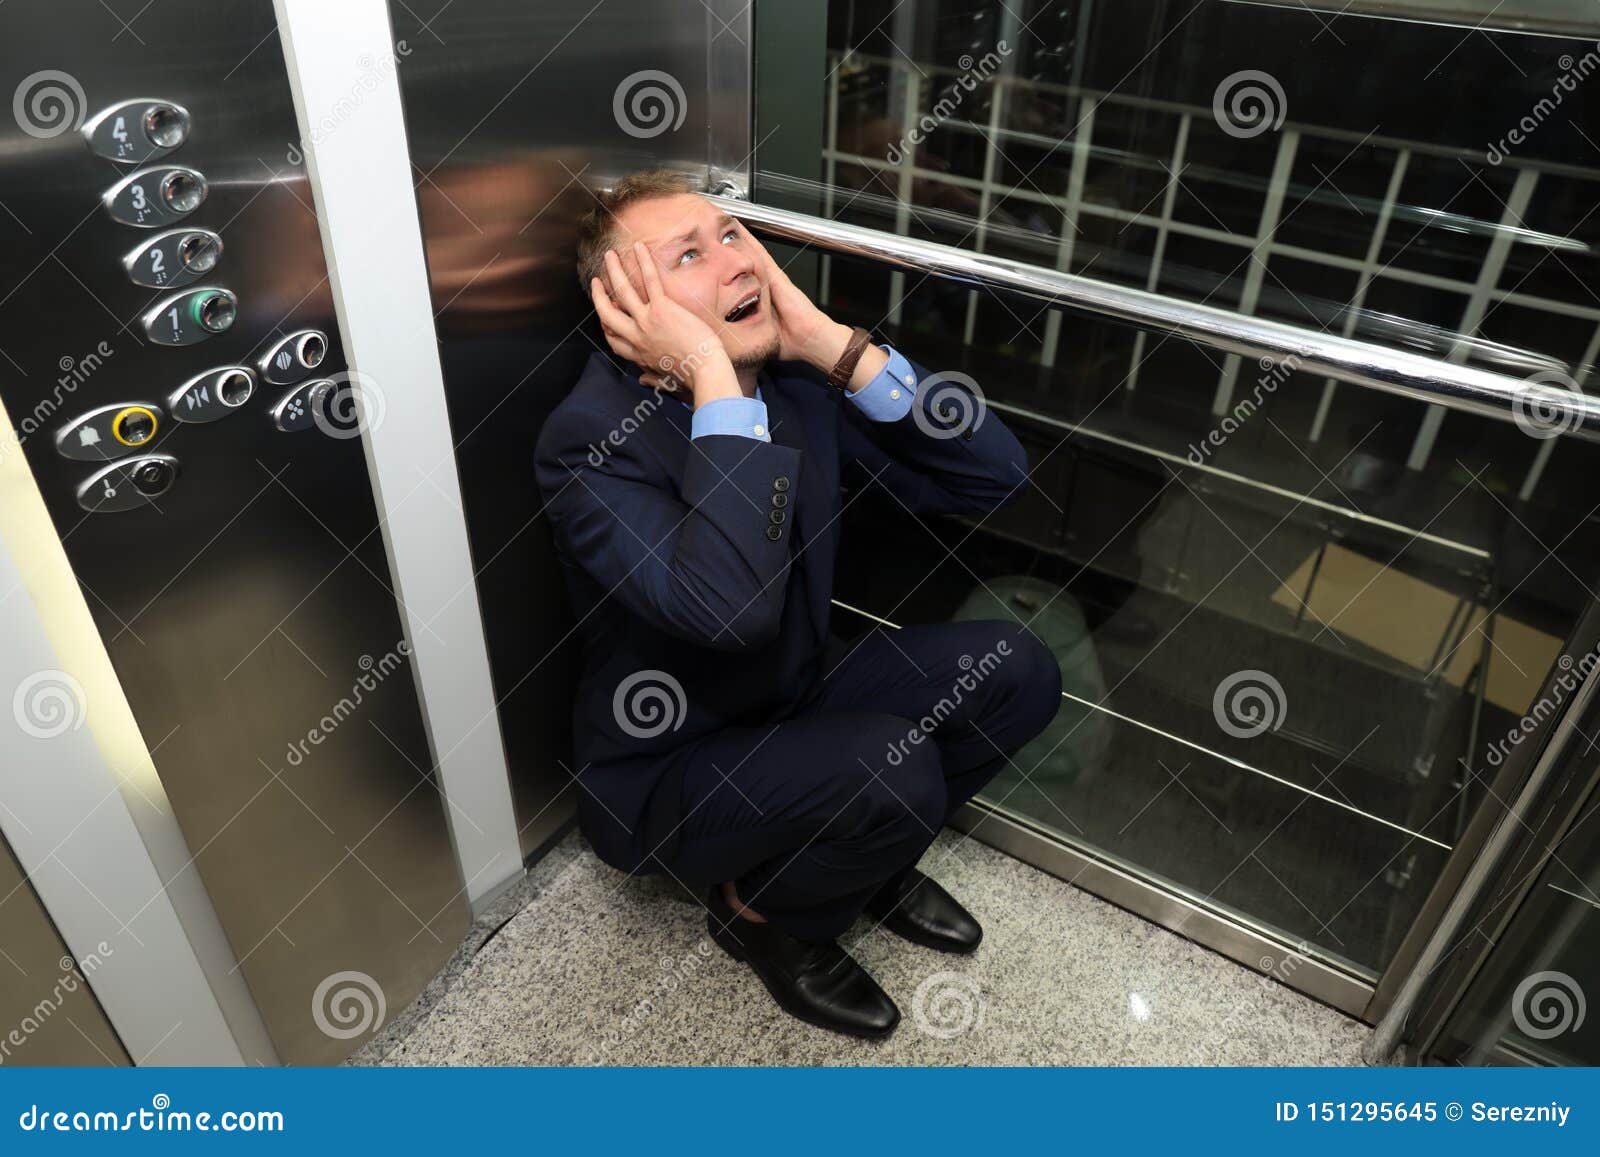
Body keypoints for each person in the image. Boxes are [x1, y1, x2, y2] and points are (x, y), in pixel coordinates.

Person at [533, 169, 1062, 1039]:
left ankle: (861, 857)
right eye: (691, 254)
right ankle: (767, 914)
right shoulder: (590, 438)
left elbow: (995, 475)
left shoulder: (793, 381)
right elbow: (727, 608)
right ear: (628, 305)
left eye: (732, 235)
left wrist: (829, 345)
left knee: (1018, 671)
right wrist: (709, 372)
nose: (738, 261)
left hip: (797, 685)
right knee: (894, 770)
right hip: (677, 762)